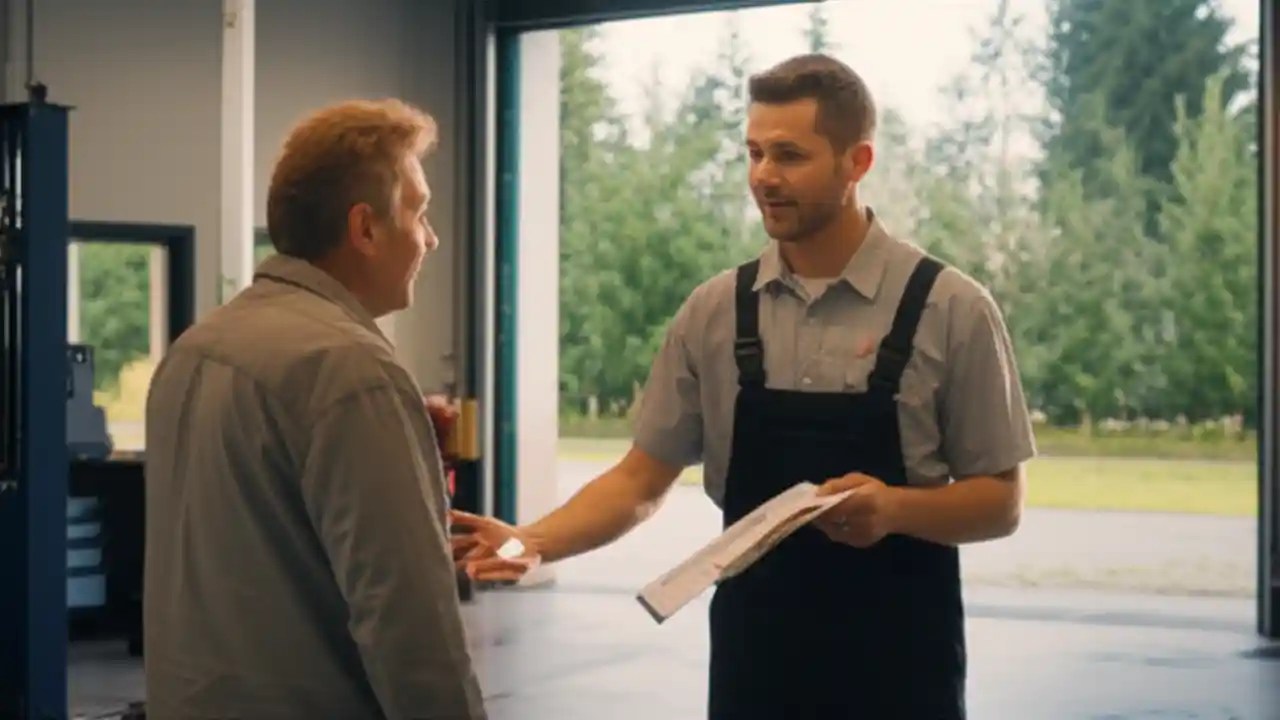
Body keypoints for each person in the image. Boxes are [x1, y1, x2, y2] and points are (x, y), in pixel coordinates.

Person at [451, 53, 1036, 719]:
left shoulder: (953, 309)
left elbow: (1000, 502)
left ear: (858, 162)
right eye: (754, 153)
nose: (764, 176)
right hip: (757, 665)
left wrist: (895, 510)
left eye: (789, 155)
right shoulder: (716, 311)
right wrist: (534, 540)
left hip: (901, 668)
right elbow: (640, 480)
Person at [143, 99, 487, 720]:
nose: (431, 238)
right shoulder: (351, 373)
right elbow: (409, 620)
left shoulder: (194, 350)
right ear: (365, 228)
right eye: (420, 212)